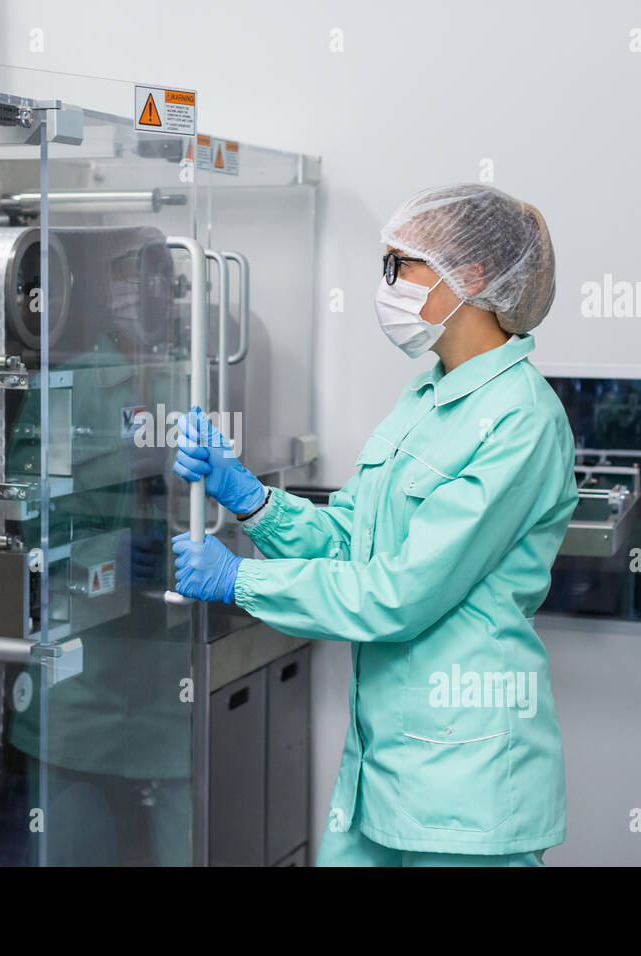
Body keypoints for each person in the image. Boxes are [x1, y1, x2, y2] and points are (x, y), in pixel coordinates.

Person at [172, 183, 578, 867]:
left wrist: (242, 580)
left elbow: (401, 593)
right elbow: (352, 540)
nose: (384, 285)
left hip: (467, 785)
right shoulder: (426, 396)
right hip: (383, 767)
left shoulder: (521, 418)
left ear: (470, 277)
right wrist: (251, 501)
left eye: (400, 266)